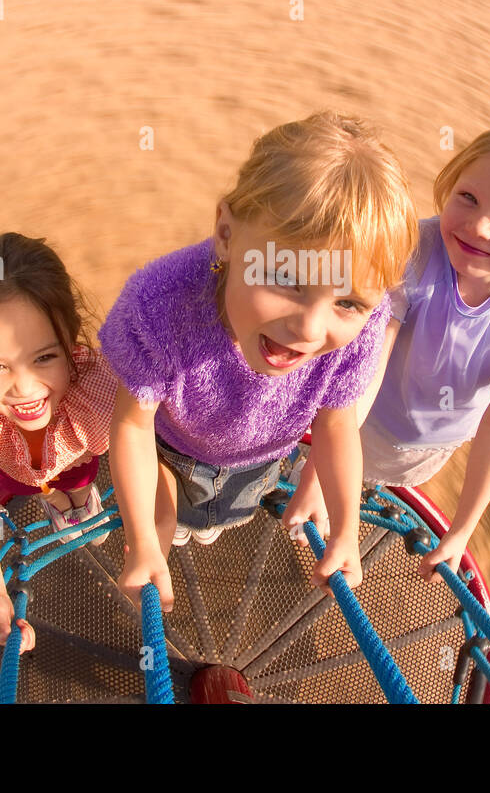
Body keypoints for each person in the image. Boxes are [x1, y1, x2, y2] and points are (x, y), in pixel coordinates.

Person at [99, 111, 418, 612]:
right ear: (226, 233)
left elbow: (337, 424)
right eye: (288, 278)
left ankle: (202, 529)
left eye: (348, 303)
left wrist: (346, 530)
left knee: (225, 520)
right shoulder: (158, 305)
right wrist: (142, 542)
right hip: (171, 454)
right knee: (168, 529)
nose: (311, 330)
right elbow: (133, 425)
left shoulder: (365, 324)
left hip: (263, 461)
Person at [286, 126, 490, 582]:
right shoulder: (418, 251)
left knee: (376, 484)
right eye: (467, 197)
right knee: (315, 492)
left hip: (429, 444)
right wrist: (317, 476)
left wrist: (462, 530)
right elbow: (367, 373)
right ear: (447, 186)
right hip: (359, 418)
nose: (479, 226)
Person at [0, 232, 119, 654]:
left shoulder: (97, 388)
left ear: (71, 340)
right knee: (40, 487)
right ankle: (57, 504)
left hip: (74, 461)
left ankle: (80, 500)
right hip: (17, 473)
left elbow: (136, 448)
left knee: (80, 478)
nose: (24, 389)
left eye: (45, 357)